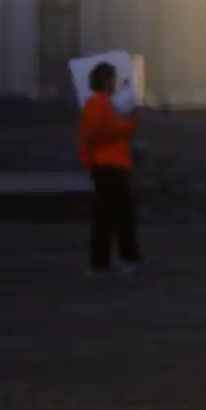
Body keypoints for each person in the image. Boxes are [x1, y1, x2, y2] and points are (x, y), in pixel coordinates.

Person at [79, 62, 143, 275]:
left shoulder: (96, 105)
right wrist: (130, 123)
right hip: (110, 167)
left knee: (106, 216)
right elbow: (103, 133)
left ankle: (102, 262)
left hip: (104, 167)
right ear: (106, 81)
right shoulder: (99, 105)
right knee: (121, 215)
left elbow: (88, 139)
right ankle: (125, 259)